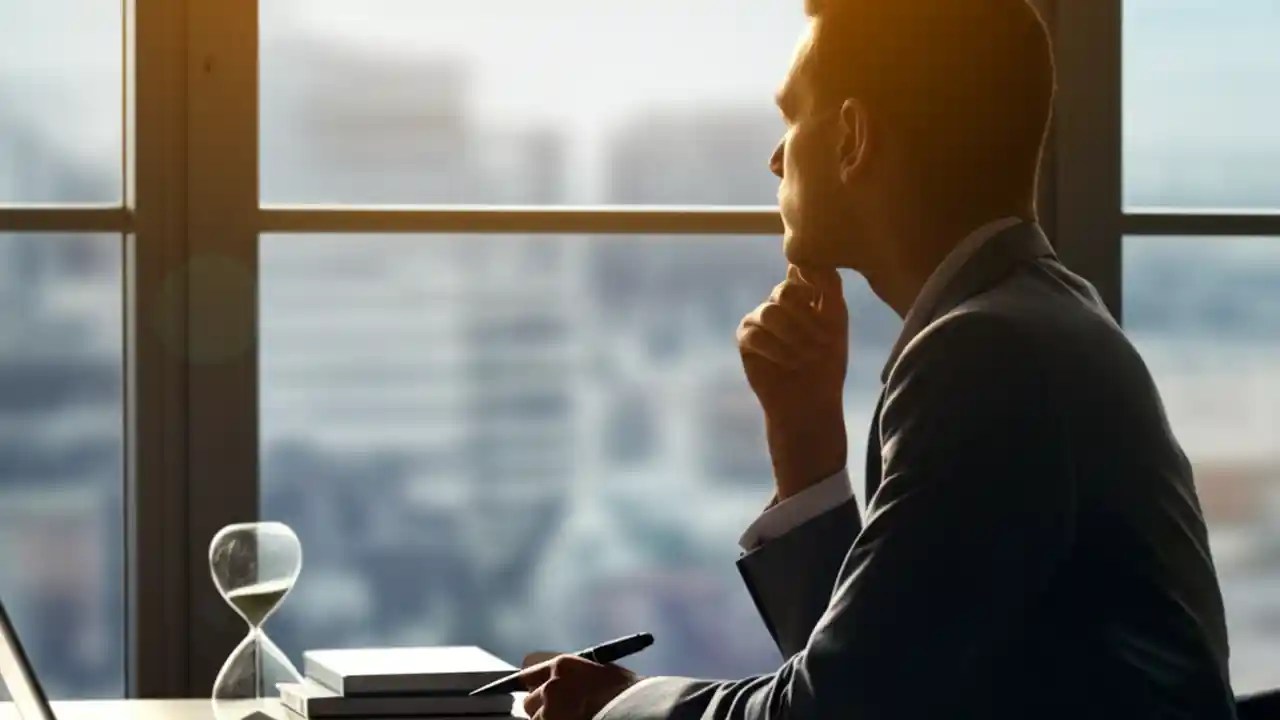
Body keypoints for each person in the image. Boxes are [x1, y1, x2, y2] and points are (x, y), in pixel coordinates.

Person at [522, 1, 1237, 718]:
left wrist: (620, 707)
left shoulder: (988, 356)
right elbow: (883, 670)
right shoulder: (1031, 319)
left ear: (852, 139)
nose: (776, 157)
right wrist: (804, 445)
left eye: (793, 115)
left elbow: (839, 709)